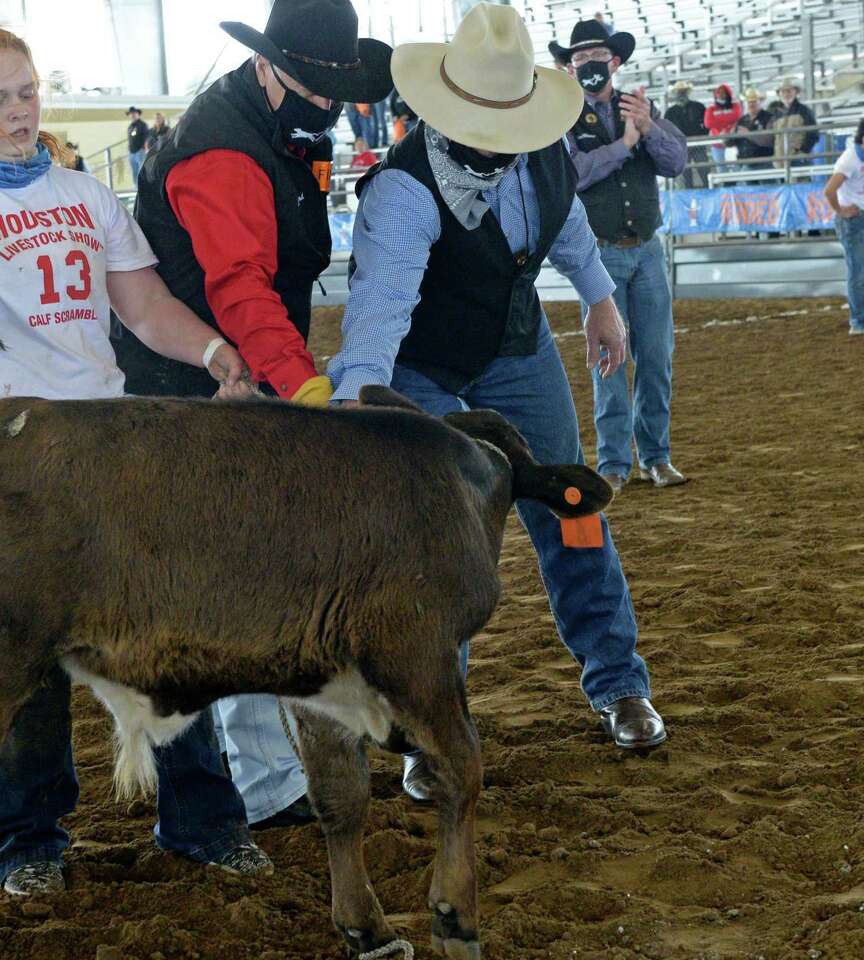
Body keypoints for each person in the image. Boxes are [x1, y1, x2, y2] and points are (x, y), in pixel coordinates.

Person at [0, 25, 276, 895]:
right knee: (17, 655)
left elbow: (141, 302)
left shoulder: (85, 194)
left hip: (106, 444)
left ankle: (203, 819)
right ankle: (30, 841)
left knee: (172, 631)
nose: (18, 113)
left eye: (27, 95)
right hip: (1, 454)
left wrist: (212, 354)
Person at [328, 4, 665, 802]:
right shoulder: (401, 192)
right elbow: (379, 305)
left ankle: (620, 683)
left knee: (576, 512)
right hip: (424, 368)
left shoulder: (543, 149)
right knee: (430, 553)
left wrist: (600, 299)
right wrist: (357, 397)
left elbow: (569, 227)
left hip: (520, 351)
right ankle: (422, 728)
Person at [122, 0, 394, 827]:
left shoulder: (284, 121)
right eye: (314, 89)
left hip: (242, 366)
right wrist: (303, 389)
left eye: (336, 92)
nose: (329, 106)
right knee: (225, 585)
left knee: (247, 575)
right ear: (269, 66)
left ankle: (267, 770)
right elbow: (239, 285)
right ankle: (260, 781)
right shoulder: (222, 153)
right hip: (193, 385)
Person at [551, 18, 688, 491]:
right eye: (580, 58)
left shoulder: (639, 109)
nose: (589, 65)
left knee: (655, 356)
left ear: (615, 61)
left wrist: (647, 127)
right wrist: (626, 142)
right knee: (610, 358)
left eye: (597, 56)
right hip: (601, 255)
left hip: (645, 248)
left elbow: (675, 161)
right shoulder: (563, 118)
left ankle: (656, 455)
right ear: (570, 68)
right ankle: (614, 462)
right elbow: (574, 174)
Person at [824, 117, 864, 335]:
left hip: (858, 216)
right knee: (858, 272)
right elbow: (829, 190)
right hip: (852, 221)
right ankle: (858, 321)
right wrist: (841, 210)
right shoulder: (849, 159)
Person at [663, 80, 708, 188]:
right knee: (685, 174)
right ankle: (689, 193)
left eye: (683, 91)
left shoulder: (699, 107)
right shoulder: (670, 112)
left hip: (698, 144)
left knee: (704, 170)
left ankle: (708, 189)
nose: (681, 94)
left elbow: (706, 125)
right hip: (680, 147)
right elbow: (666, 131)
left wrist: (703, 137)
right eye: (679, 92)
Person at [729, 89, 774, 176]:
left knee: (770, 188)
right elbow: (730, 143)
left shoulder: (769, 118)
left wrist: (748, 134)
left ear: (760, 101)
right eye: (748, 101)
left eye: (754, 101)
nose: (751, 104)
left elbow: (769, 140)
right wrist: (728, 137)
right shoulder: (741, 120)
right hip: (745, 163)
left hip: (765, 163)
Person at [776, 77, 819, 163]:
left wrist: (803, 149)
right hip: (781, 159)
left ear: (795, 92)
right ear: (780, 94)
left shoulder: (804, 111)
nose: (786, 94)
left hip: (799, 158)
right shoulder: (777, 113)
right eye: (783, 91)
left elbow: (814, 133)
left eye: (789, 91)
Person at [703, 83, 742, 173]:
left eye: (723, 93)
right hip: (717, 144)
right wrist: (727, 123)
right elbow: (708, 124)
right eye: (718, 93)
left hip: (734, 143)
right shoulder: (711, 109)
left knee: (737, 169)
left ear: (728, 94)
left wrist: (720, 122)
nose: (721, 95)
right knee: (721, 170)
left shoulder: (735, 106)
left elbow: (738, 118)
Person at [126, 106, 148, 180]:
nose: (132, 115)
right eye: (131, 114)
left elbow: (146, 137)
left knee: (141, 173)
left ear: (138, 114)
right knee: (134, 173)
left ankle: (142, 189)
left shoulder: (143, 125)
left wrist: (145, 149)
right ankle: (136, 189)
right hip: (131, 153)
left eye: (134, 113)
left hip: (140, 151)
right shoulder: (130, 127)